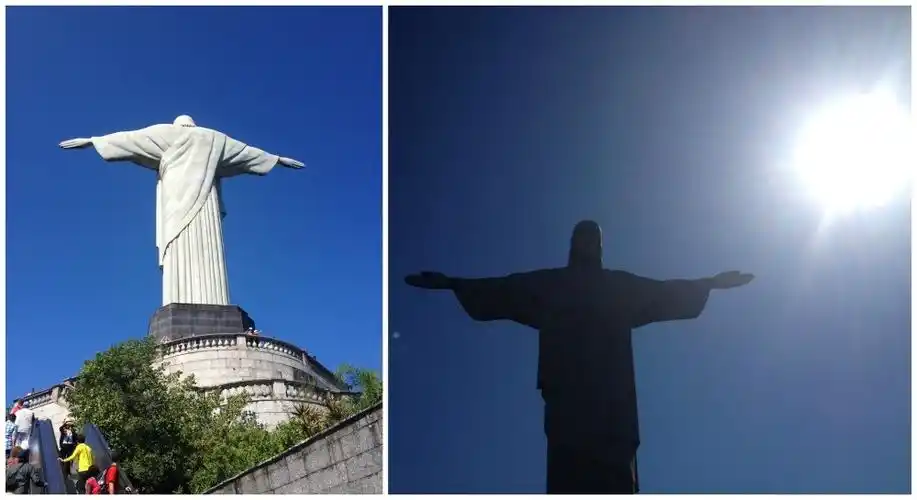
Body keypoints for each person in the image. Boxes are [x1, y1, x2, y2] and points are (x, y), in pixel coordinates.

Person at [405, 220, 755, 494]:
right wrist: (453, 283)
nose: (589, 243)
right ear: (573, 244)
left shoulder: (619, 286)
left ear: (601, 246)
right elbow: (505, 288)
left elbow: (662, 292)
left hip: (613, 397)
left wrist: (709, 282)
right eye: (583, 237)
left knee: (616, 471)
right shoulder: (551, 284)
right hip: (568, 397)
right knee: (568, 468)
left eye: (595, 238)